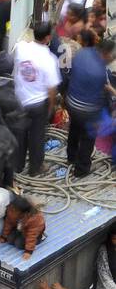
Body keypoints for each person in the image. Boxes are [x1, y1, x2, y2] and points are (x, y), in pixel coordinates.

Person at [13, 22, 61, 176]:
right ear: (48, 38)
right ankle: (35, 168)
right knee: (37, 137)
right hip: (38, 103)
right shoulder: (49, 59)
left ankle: (17, 165)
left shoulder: (21, 47)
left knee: (20, 134)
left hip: (20, 100)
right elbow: (52, 88)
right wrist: (51, 107)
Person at [65, 31, 114, 178]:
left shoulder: (82, 52)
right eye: (111, 55)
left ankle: (71, 157)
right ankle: (81, 170)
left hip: (71, 103)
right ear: (105, 53)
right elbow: (101, 97)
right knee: (88, 138)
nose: (112, 59)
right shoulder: (99, 71)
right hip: (86, 110)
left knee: (74, 129)